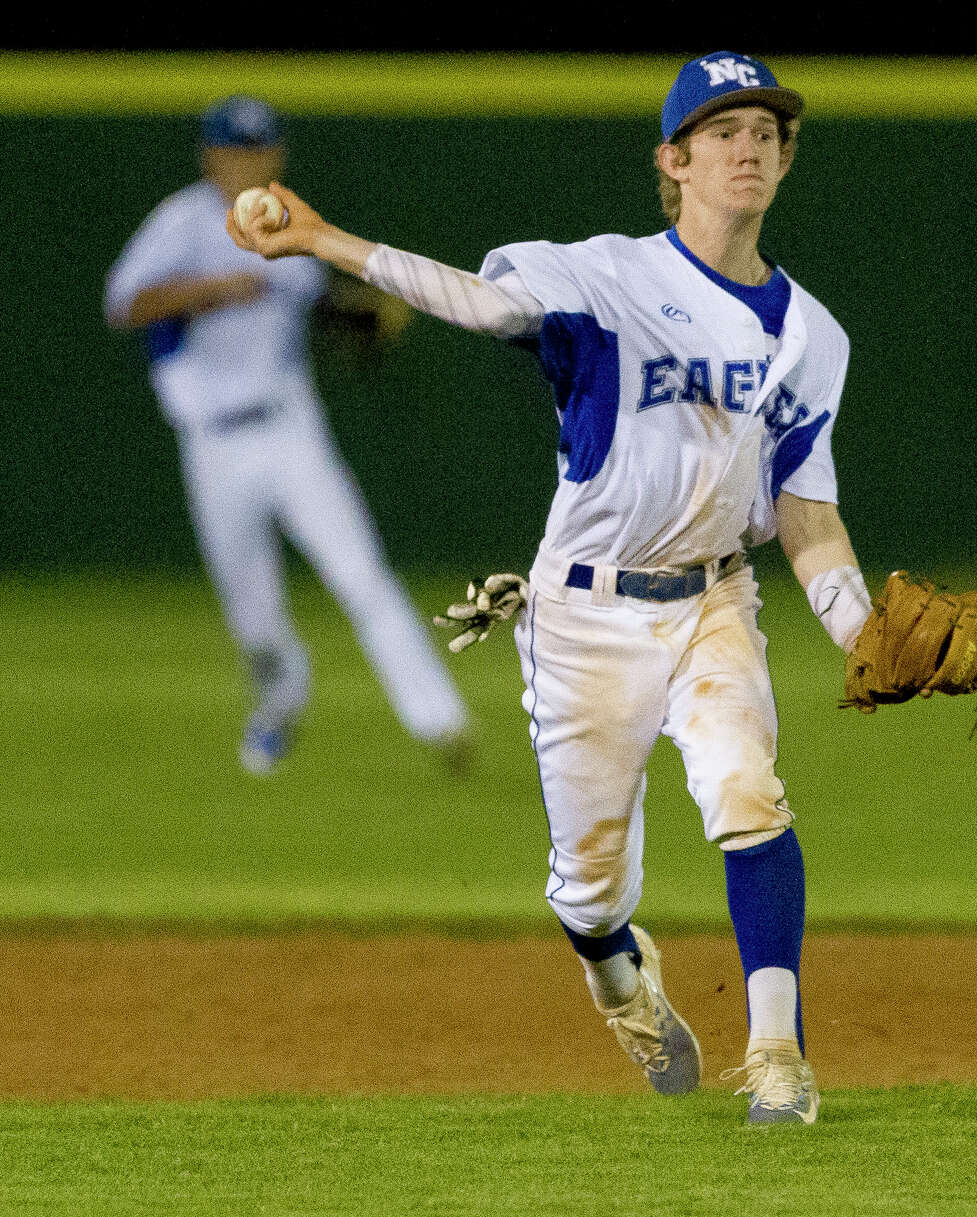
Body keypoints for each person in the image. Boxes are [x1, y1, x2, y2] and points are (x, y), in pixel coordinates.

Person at [228, 52, 876, 1126]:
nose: (749, 144)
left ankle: (779, 1055)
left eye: (766, 128)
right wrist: (321, 239)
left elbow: (805, 515)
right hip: (583, 611)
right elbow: (484, 307)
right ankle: (620, 980)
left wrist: (860, 626)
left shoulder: (812, 337)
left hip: (715, 598)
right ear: (675, 160)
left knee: (745, 787)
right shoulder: (605, 274)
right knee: (587, 888)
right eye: (723, 130)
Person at [105, 95, 473, 775]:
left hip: (288, 426)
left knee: (361, 573)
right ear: (211, 154)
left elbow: (326, 312)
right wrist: (212, 290)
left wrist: (362, 319)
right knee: (254, 616)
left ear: (275, 153)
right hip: (213, 440)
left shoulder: (292, 225)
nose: (247, 161)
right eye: (235, 149)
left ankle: (442, 723)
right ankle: (279, 702)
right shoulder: (182, 222)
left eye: (259, 148)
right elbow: (123, 302)